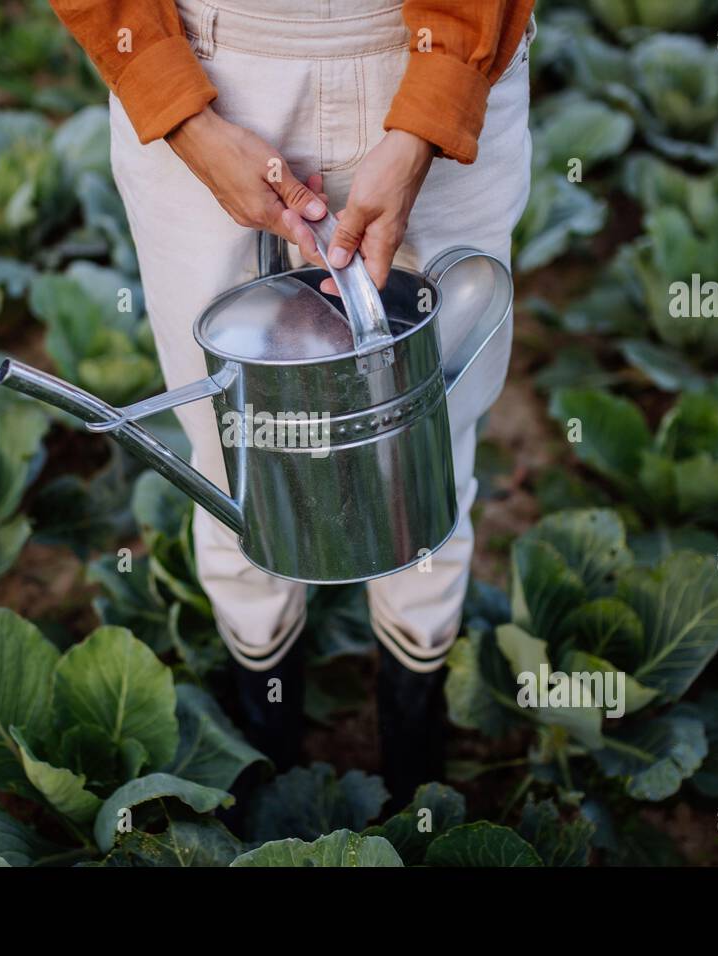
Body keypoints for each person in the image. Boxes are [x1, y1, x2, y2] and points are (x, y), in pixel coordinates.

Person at [49, 0, 536, 806]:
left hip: (443, 45)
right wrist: (182, 115)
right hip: (211, 58)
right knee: (230, 451)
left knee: (434, 447)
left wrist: (429, 115)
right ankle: (267, 750)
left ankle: (413, 756)